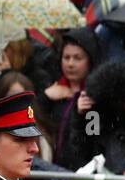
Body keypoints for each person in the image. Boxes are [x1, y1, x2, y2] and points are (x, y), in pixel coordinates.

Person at [40, 27, 96, 161]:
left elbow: (92, 138)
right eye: (66, 57)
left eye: (77, 58)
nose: (70, 64)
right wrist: (45, 97)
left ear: (90, 60)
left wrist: (81, 114)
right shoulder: (54, 91)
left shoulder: (94, 96)